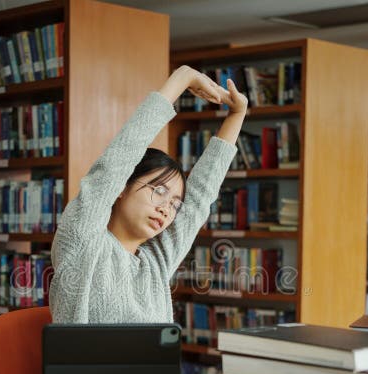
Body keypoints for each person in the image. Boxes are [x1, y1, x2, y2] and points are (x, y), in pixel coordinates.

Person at [49, 65, 248, 323]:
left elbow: (199, 198)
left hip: (152, 365)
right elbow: (119, 158)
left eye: (175, 204)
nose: (167, 209)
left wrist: (237, 115)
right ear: (121, 187)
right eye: (159, 191)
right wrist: (183, 77)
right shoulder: (83, 240)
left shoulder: (156, 261)